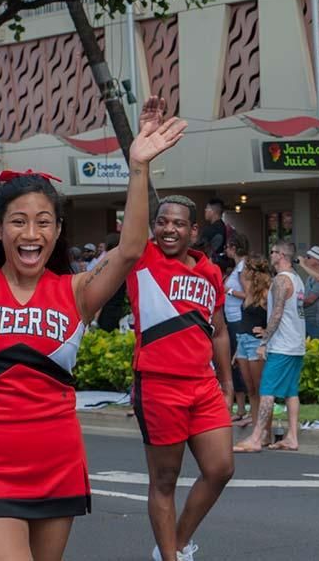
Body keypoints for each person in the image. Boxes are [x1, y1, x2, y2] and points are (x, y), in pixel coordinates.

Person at [0, 97, 183, 561]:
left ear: (57, 231)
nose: (31, 234)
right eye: (18, 222)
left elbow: (131, 249)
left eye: (43, 222)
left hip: (56, 462)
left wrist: (138, 166)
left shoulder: (76, 291)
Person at [128, 192, 235, 561]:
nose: (168, 229)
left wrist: (227, 383)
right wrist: (140, 168)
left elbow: (219, 331)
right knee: (164, 480)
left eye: (178, 223)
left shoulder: (210, 271)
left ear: (194, 230)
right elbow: (133, 225)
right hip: (158, 384)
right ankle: (169, 557)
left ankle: (175, 545)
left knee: (220, 469)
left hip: (203, 385)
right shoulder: (142, 258)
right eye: (162, 222)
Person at [233, 241, 306, 453]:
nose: (270, 255)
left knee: (267, 389)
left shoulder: (282, 280)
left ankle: (257, 438)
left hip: (283, 345)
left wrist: (265, 340)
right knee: (291, 392)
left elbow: (277, 312)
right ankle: (292, 437)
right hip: (296, 344)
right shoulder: (297, 279)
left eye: (273, 252)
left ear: (281, 255)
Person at [233, 256, 271, 432]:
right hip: (243, 340)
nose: (243, 272)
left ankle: (264, 431)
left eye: (246, 268)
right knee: (251, 390)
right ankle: (256, 430)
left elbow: (278, 315)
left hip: (256, 342)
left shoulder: (267, 293)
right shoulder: (249, 291)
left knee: (260, 388)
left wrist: (266, 331)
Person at [222, 234, 250, 423]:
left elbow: (248, 294)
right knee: (234, 361)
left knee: (238, 361)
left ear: (233, 248)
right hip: (232, 318)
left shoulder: (242, 268)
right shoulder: (237, 268)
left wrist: (229, 291)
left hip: (238, 319)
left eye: (227, 247)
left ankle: (242, 407)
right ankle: (239, 407)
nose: (226, 251)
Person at [94, 233, 130, 333]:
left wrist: (94, 319)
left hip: (107, 313)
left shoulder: (107, 265)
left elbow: (101, 295)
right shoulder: (125, 265)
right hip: (118, 311)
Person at [300, 245, 319, 339]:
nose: (305, 259)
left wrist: (294, 305)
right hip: (307, 318)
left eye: (308, 257)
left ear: (317, 261)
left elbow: (310, 300)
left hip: (315, 320)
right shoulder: (311, 276)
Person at [197, 199, 227, 263]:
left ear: (212, 211)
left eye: (207, 208)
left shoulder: (210, 230)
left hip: (207, 263)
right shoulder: (224, 227)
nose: (205, 210)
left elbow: (199, 250)